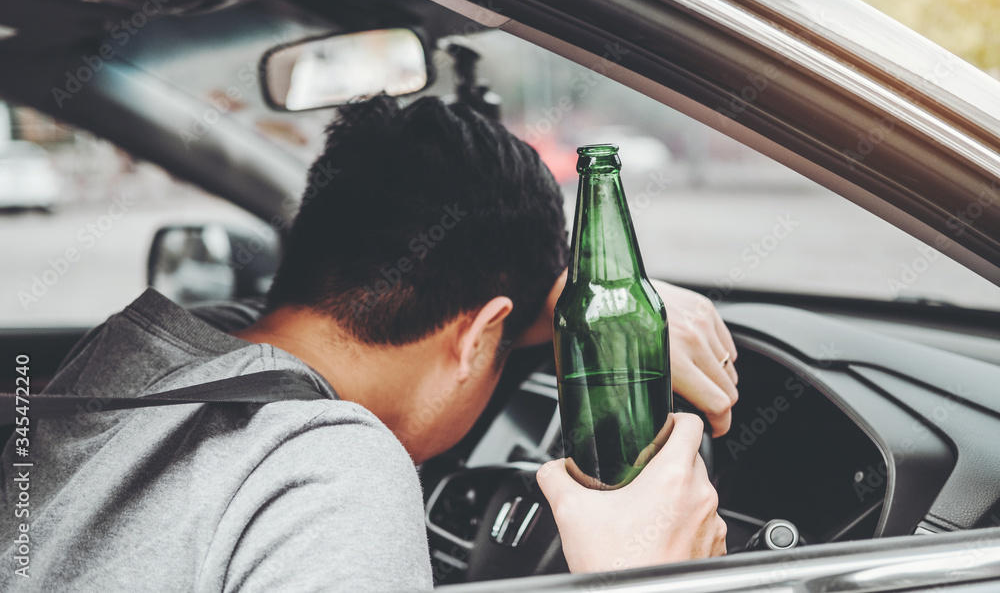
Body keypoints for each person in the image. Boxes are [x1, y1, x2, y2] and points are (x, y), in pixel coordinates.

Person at [0, 95, 737, 590]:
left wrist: (577, 300)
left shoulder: (139, 349)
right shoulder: (333, 466)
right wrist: (638, 574)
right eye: (504, 349)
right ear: (480, 335)